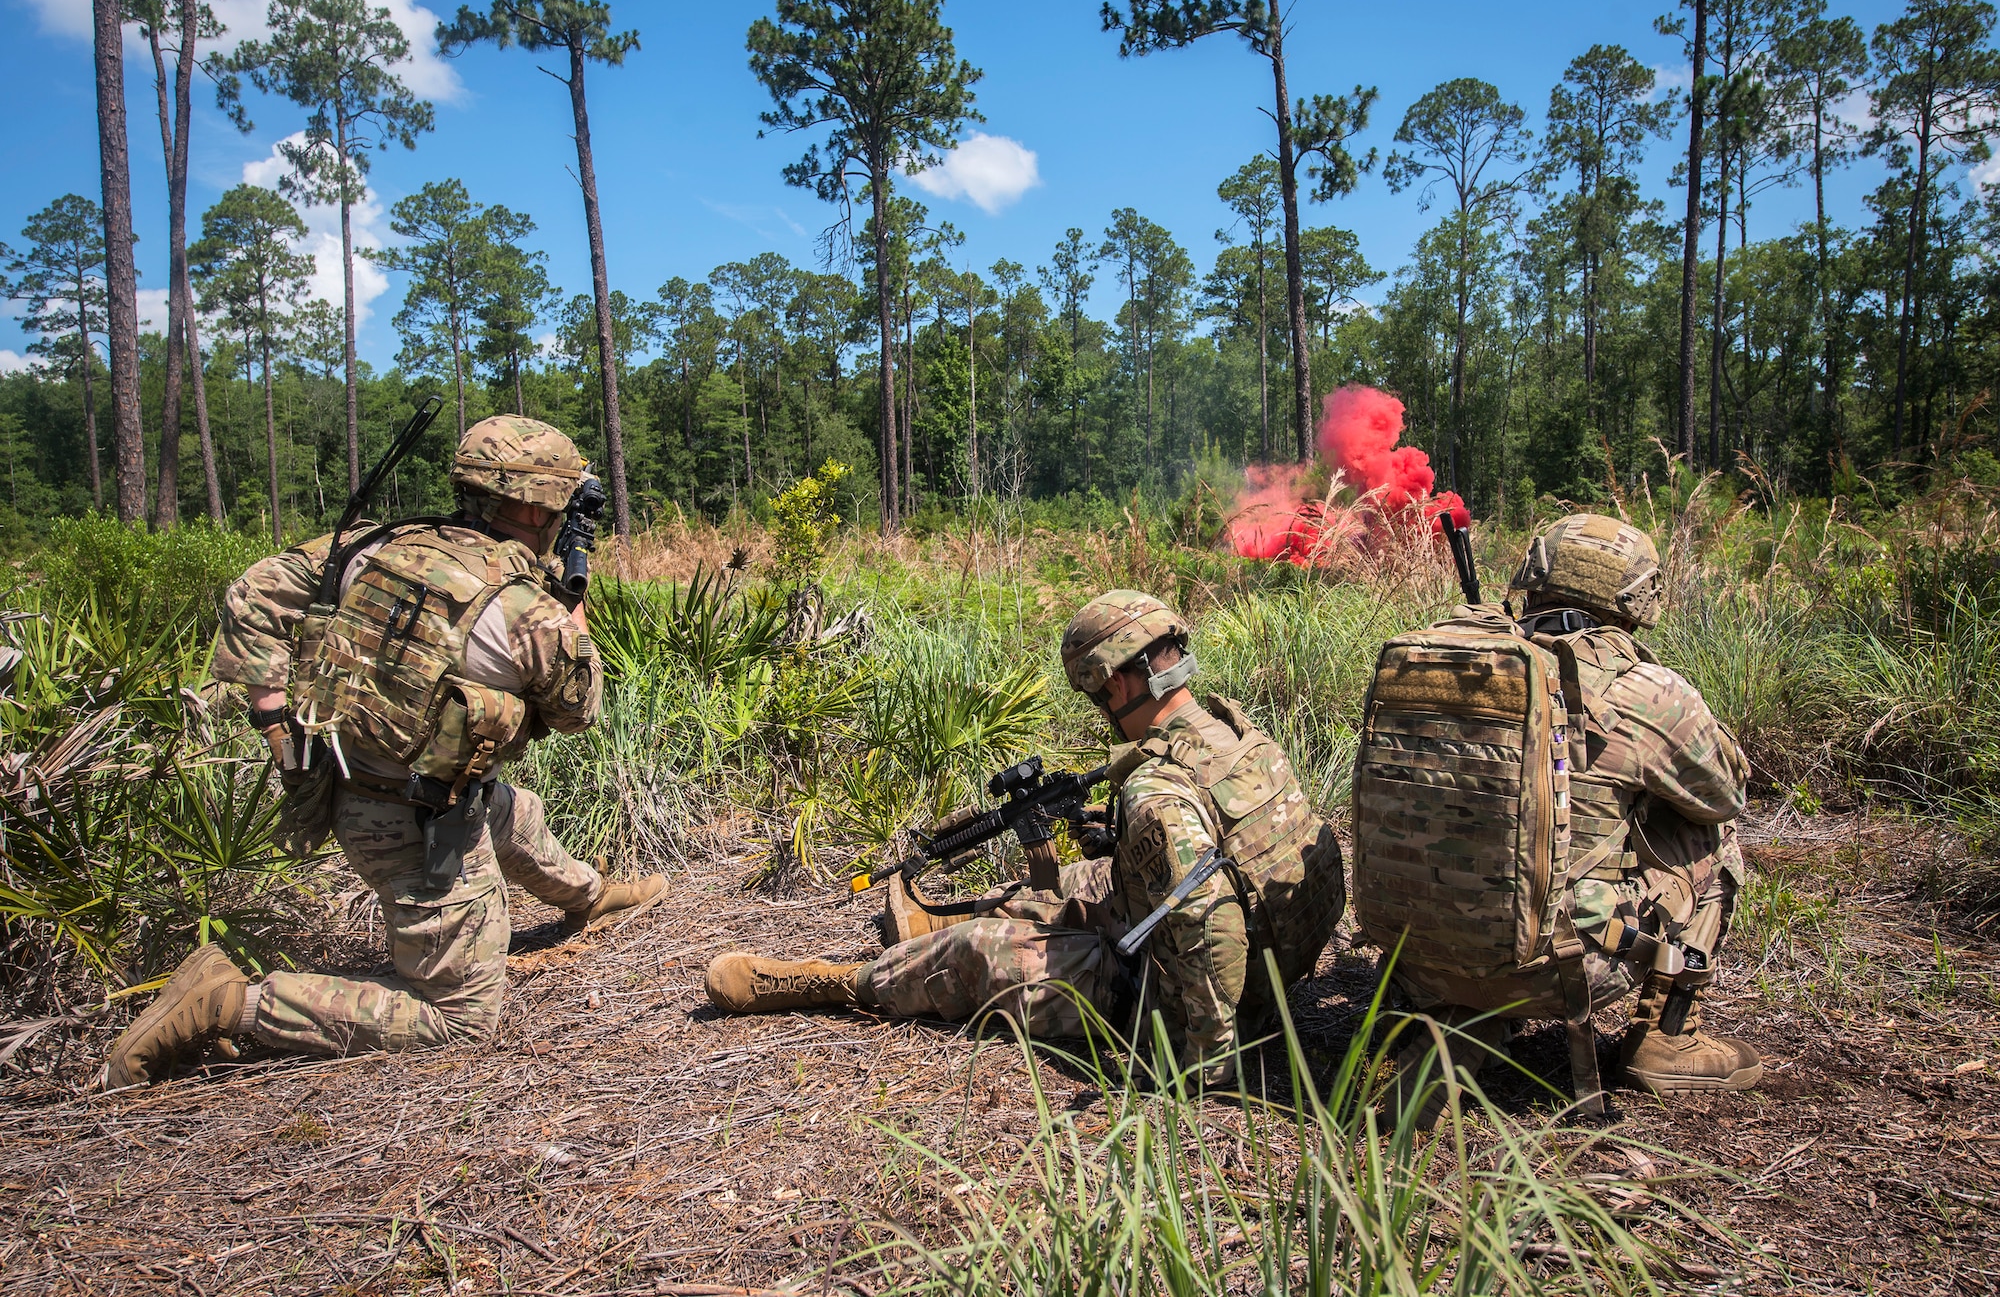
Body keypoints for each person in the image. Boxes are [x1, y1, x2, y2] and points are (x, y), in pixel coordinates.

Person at [104, 415, 663, 1088]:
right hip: (415, 827)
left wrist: (279, 727)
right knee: (459, 1019)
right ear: (526, 502)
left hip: (356, 788)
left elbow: (251, 591)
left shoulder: (386, 544)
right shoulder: (525, 610)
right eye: (559, 501)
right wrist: (574, 606)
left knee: (516, 813)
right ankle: (232, 1001)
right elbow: (577, 709)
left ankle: (592, 894)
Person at [703, 591, 1345, 1081]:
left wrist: (1200, 1059)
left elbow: (1211, 923)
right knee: (1075, 880)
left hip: (1191, 1004)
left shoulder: (1155, 792)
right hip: (1276, 965)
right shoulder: (1236, 732)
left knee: (980, 952)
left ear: (1116, 683)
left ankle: (840, 980)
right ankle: (940, 923)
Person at [1382, 513, 1761, 1101]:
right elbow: (1724, 796)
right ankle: (1667, 1037)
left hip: (1417, 958)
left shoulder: (1444, 657)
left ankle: (1460, 1011)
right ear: (1637, 597)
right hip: (1555, 968)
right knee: (1713, 840)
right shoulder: (1646, 690)